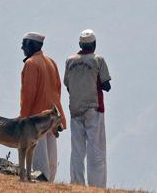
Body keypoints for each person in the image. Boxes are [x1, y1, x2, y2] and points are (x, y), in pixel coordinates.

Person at [65, 29, 112, 187]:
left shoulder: (70, 61)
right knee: (96, 149)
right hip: (94, 108)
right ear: (95, 44)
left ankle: (77, 183)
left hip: (75, 109)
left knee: (77, 150)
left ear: (80, 44)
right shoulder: (98, 59)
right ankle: (97, 186)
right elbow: (106, 85)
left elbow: (68, 85)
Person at [20, 31, 67, 181]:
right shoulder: (51, 62)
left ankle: (42, 187)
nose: (22, 47)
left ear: (32, 45)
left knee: (39, 162)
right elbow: (57, 92)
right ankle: (50, 185)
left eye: (24, 44)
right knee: (51, 158)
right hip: (51, 119)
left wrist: (23, 120)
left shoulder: (31, 63)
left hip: (36, 121)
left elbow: (28, 94)